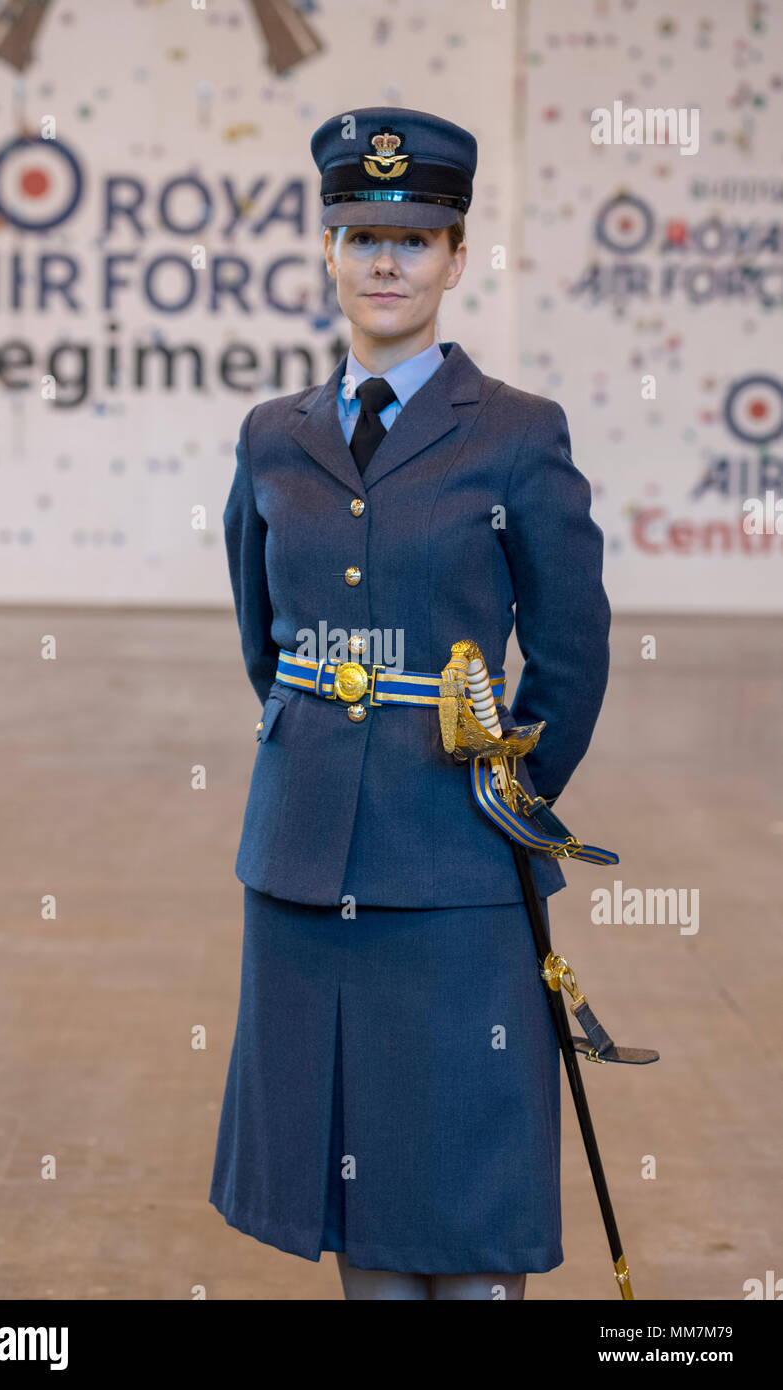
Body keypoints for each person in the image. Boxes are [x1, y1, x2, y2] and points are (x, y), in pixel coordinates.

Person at [209, 106, 611, 1300]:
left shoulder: (518, 435)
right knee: (361, 1220)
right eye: (362, 234)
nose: (387, 260)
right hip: (299, 864)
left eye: (416, 237)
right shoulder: (269, 438)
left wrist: (510, 794)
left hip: (456, 866)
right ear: (328, 249)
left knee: (467, 1200)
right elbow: (262, 642)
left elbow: (572, 650)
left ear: (455, 255)